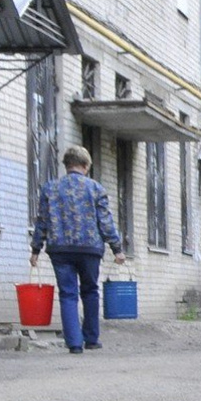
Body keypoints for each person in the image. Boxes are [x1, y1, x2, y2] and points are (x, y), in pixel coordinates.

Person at [29, 145, 126, 354]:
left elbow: (42, 222)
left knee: (67, 294)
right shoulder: (96, 188)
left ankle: (74, 343)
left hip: (60, 249)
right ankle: (91, 339)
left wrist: (35, 249)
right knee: (90, 291)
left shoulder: (50, 189)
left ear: (66, 165)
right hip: (90, 248)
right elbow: (105, 221)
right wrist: (116, 248)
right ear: (86, 165)